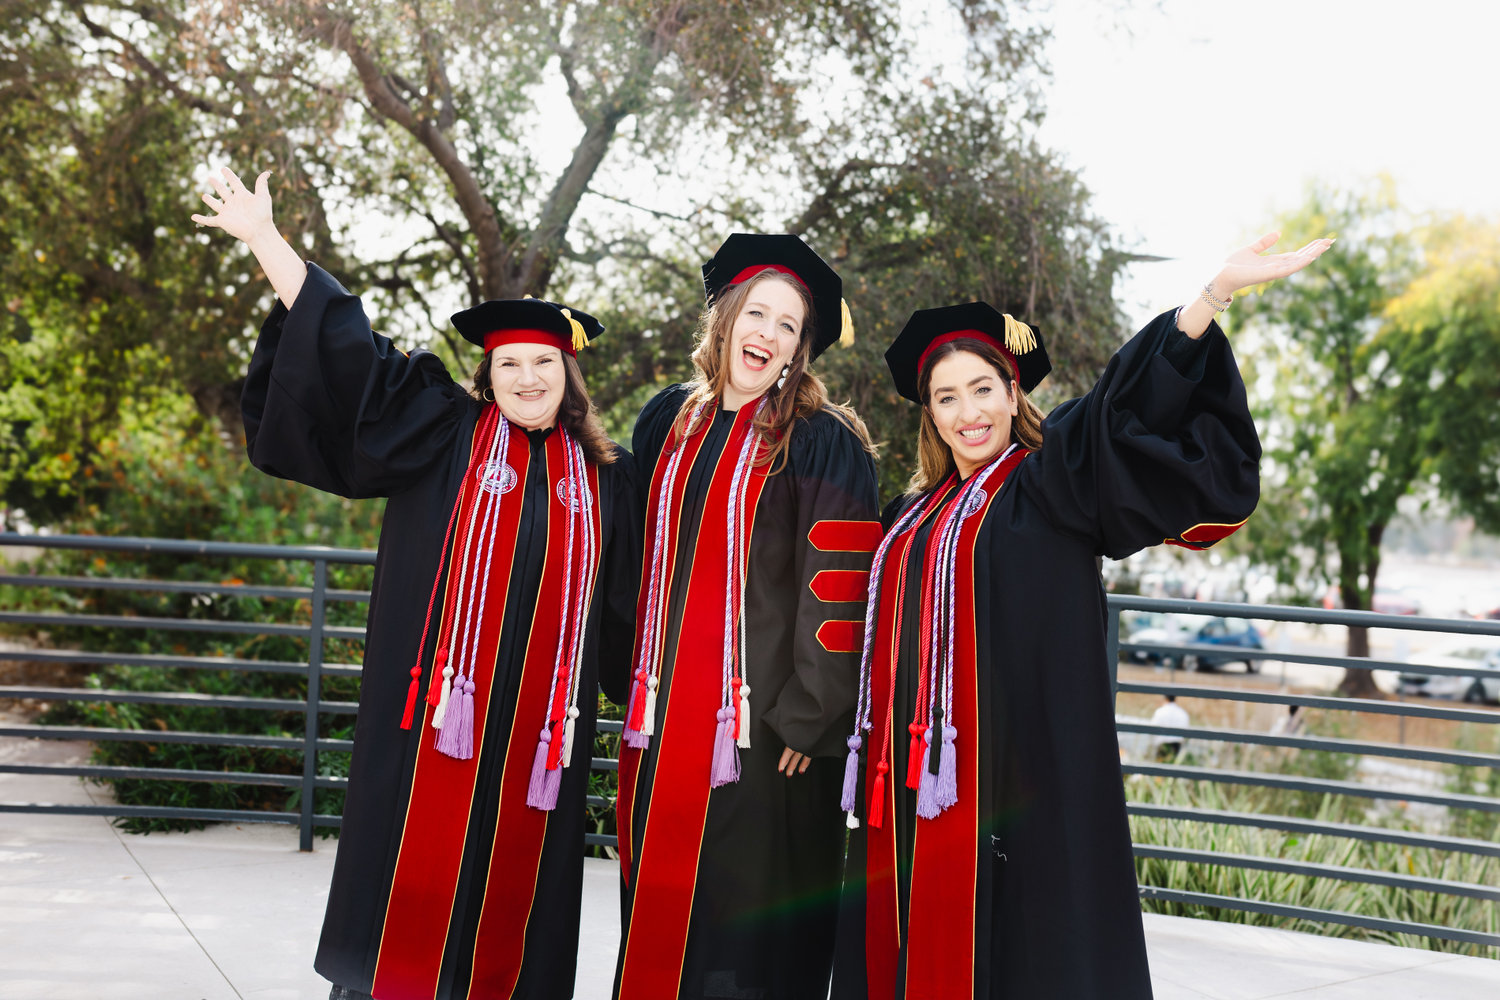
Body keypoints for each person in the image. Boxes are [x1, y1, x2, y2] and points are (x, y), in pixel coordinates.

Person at [831, 232, 1333, 999]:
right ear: (928, 414)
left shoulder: (1049, 480)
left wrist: (1210, 298)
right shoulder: (910, 514)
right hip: (914, 788)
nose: (969, 412)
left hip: (1024, 783)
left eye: (983, 388)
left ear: (1012, 393)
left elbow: (1120, 407)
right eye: (947, 397)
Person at [194, 166, 640, 1000]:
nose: (527, 378)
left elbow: (634, 609)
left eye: (544, 362)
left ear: (569, 372)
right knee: (402, 921)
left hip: (537, 751)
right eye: (510, 363)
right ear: (490, 372)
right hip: (430, 730)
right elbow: (347, 354)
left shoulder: (609, 481)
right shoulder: (440, 429)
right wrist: (266, 241)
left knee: (512, 928)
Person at [608, 234, 881, 999]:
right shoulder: (670, 422)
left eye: (788, 324)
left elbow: (843, 582)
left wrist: (811, 715)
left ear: (801, 348)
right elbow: (628, 553)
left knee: (747, 929)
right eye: (756, 312)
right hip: (664, 727)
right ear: (724, 320)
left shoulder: (821, 443)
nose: (767, 332)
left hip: (761, 737)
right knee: (664, 914)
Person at [1150, 694, 1190, 761]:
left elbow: (1152, 728)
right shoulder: (1183, 713)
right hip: (1176, 746)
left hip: (1162, 746)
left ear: (1165, 698)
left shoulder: (1160, 712)